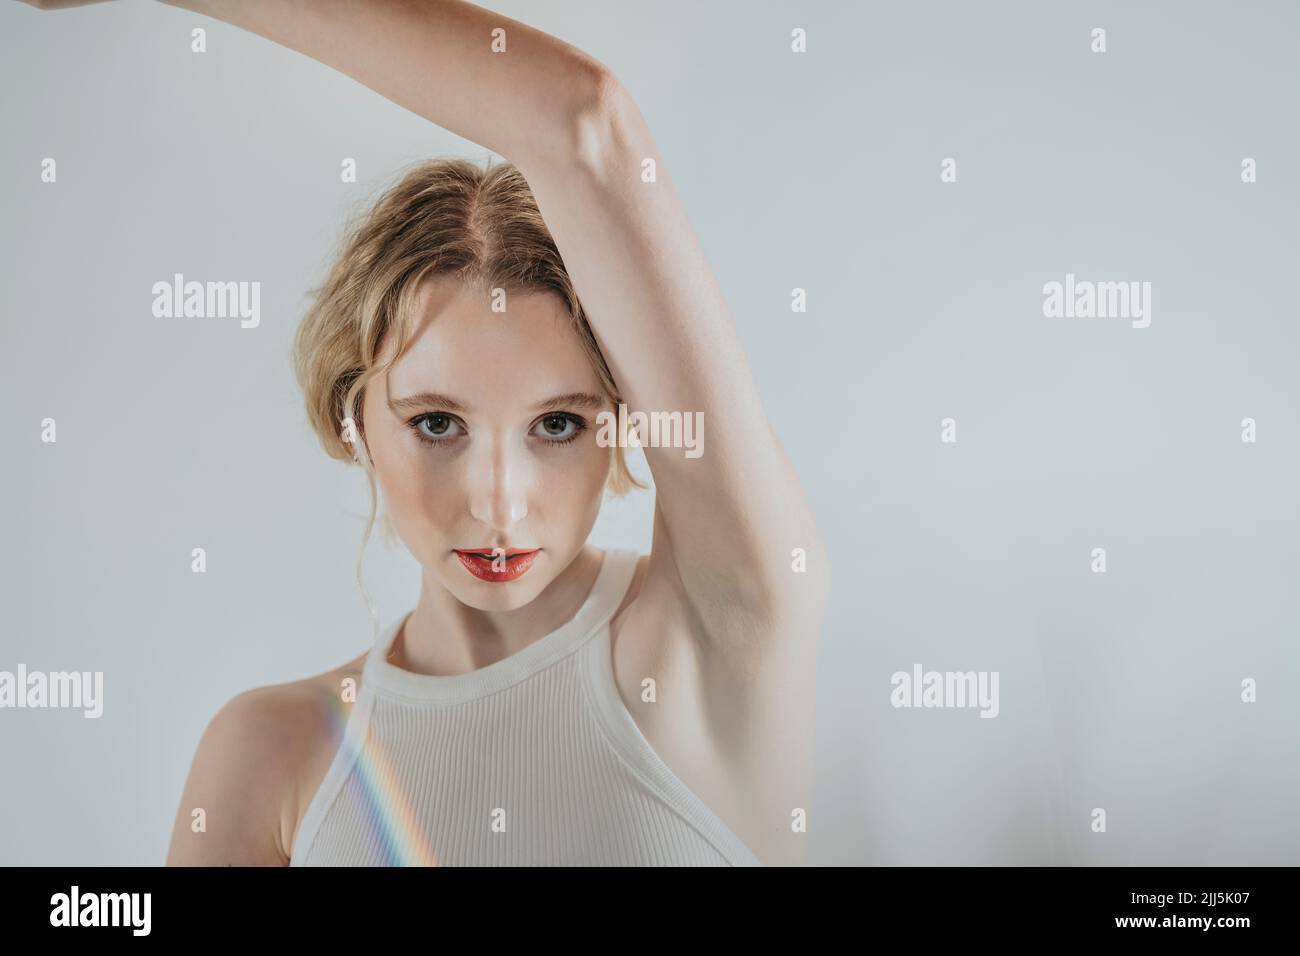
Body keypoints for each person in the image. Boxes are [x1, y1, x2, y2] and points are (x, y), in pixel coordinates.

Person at [24, 0, 830, 865]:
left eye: (558, 424)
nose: (496, 502)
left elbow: (581, 117)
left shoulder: (724, 627)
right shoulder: (268, 757)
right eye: (437, 423)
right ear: (354, 419)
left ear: (628, 420)